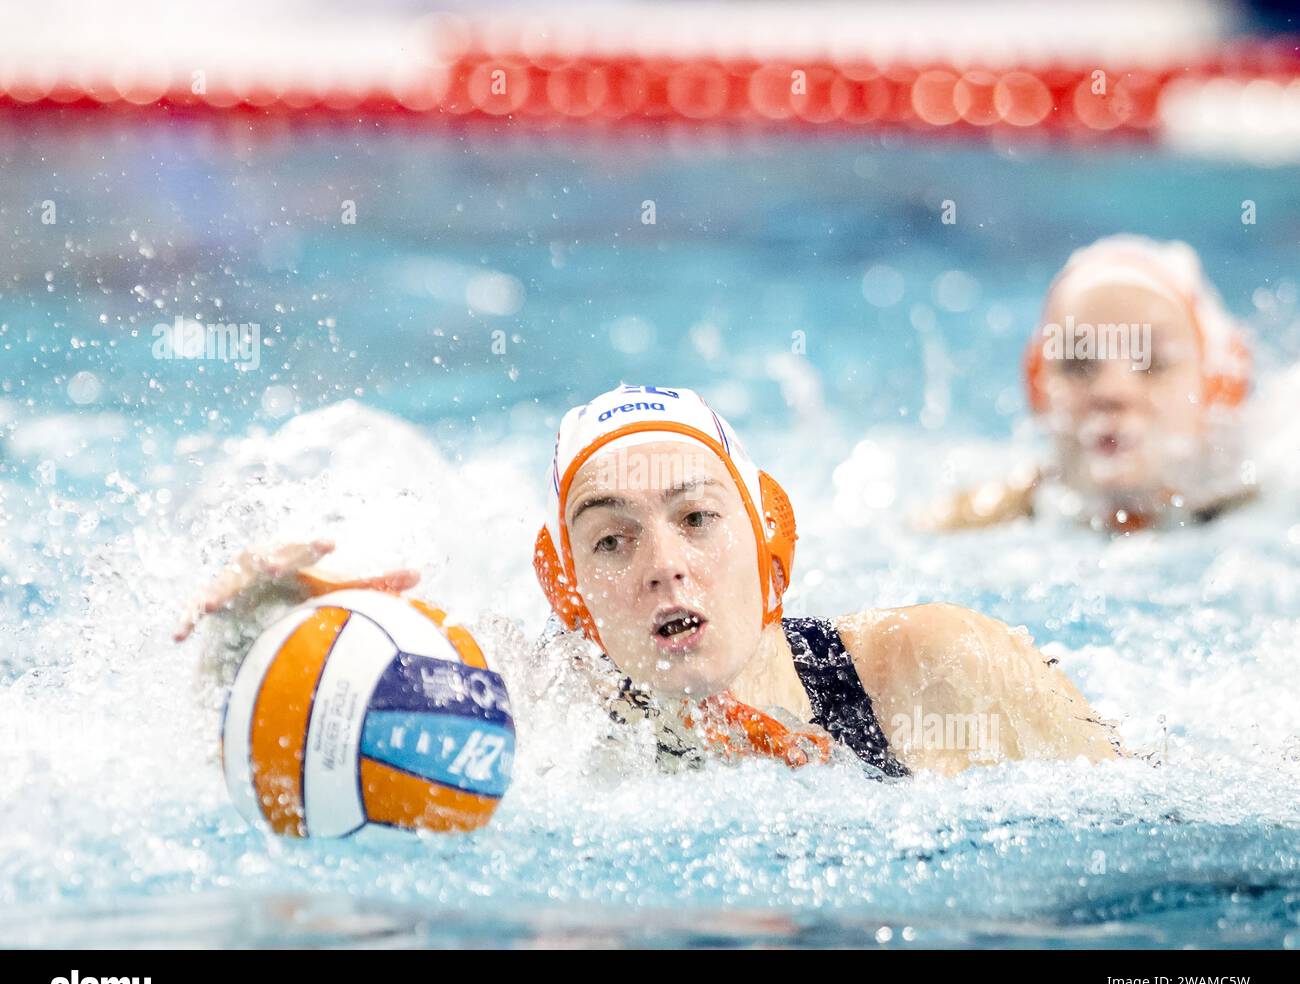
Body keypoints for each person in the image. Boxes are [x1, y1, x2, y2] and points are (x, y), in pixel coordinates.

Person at [177, 384, 1125, 777]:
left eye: (698, 518)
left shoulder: (929, 669)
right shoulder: (531, 703)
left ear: (771, 549)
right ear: (570, 592)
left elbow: (1159, 826)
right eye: (612, 541)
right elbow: (294, 715)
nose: (664, 562)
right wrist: (256, 626)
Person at [918, 235, 1255, 533]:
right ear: (1036, 386)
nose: (1112, 392)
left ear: (1221, 387)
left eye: (1152, 363)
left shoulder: (1267, 509)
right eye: (1077, 365)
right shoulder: (972, 525)